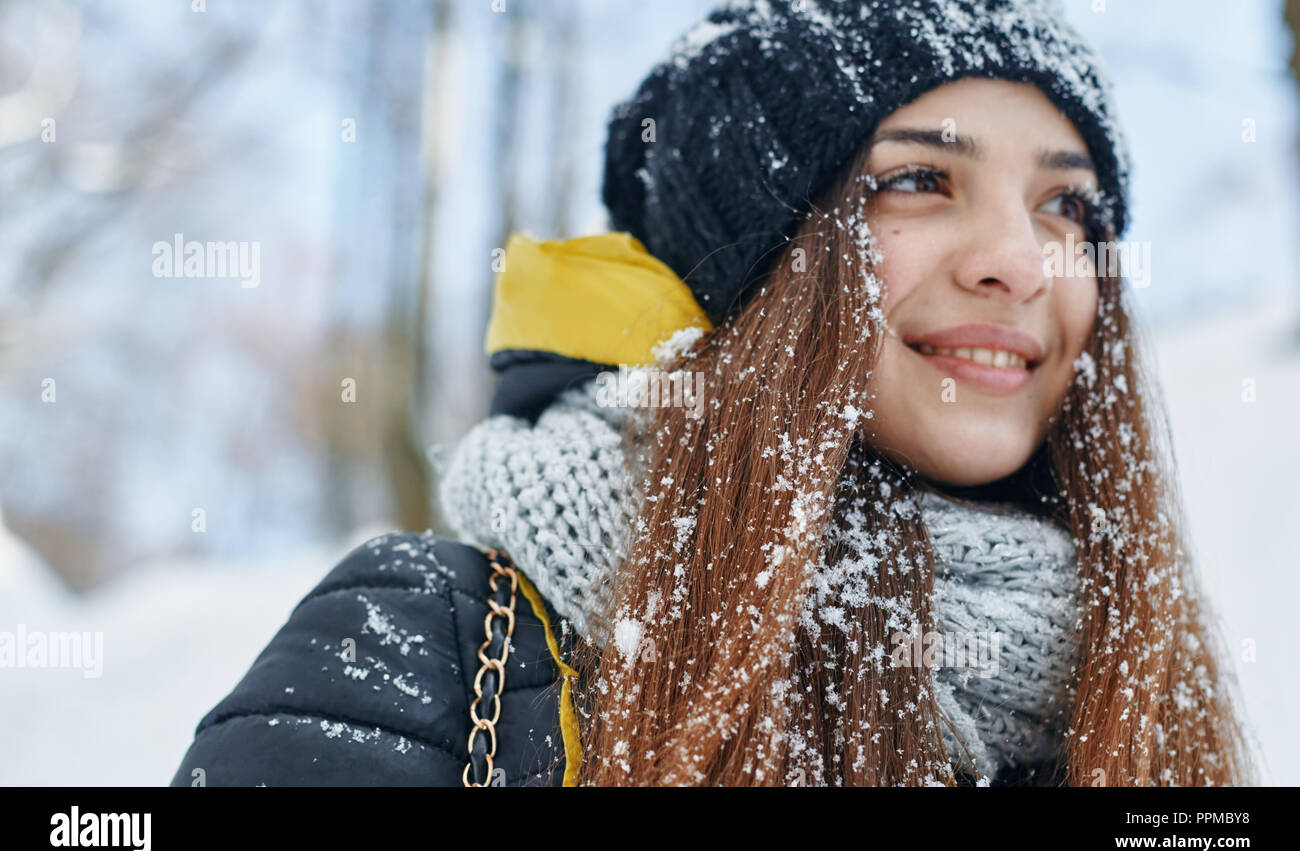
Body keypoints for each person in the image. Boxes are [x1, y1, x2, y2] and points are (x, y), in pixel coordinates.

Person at [170, 0, 1253, 787]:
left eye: (1067, 204)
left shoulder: (1140, 686)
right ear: (754, 270)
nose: (1020, 261)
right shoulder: (433, 648)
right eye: (918, 180)